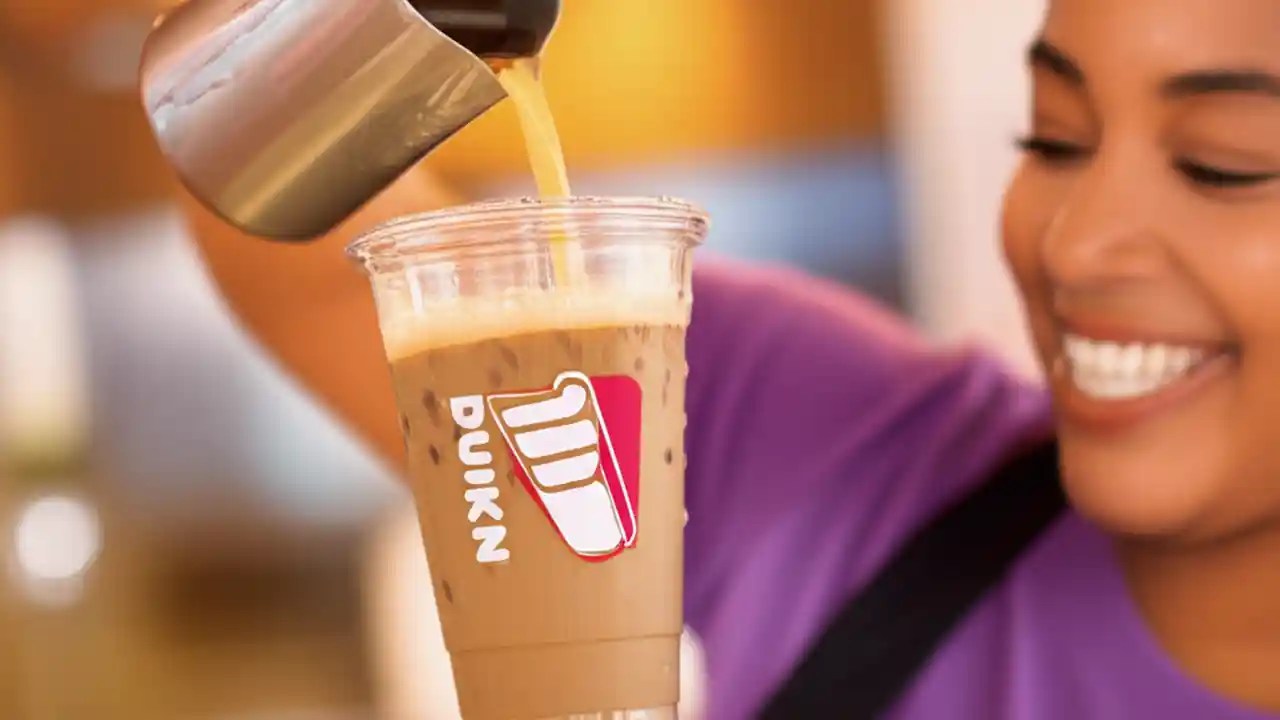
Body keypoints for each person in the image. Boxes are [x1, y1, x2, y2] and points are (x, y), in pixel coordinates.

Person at [181, 1, 1280, 717]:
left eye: (1219, 164)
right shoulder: (848, 453)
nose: (1075, 243)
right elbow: (301, 245)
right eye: (1053, 137)